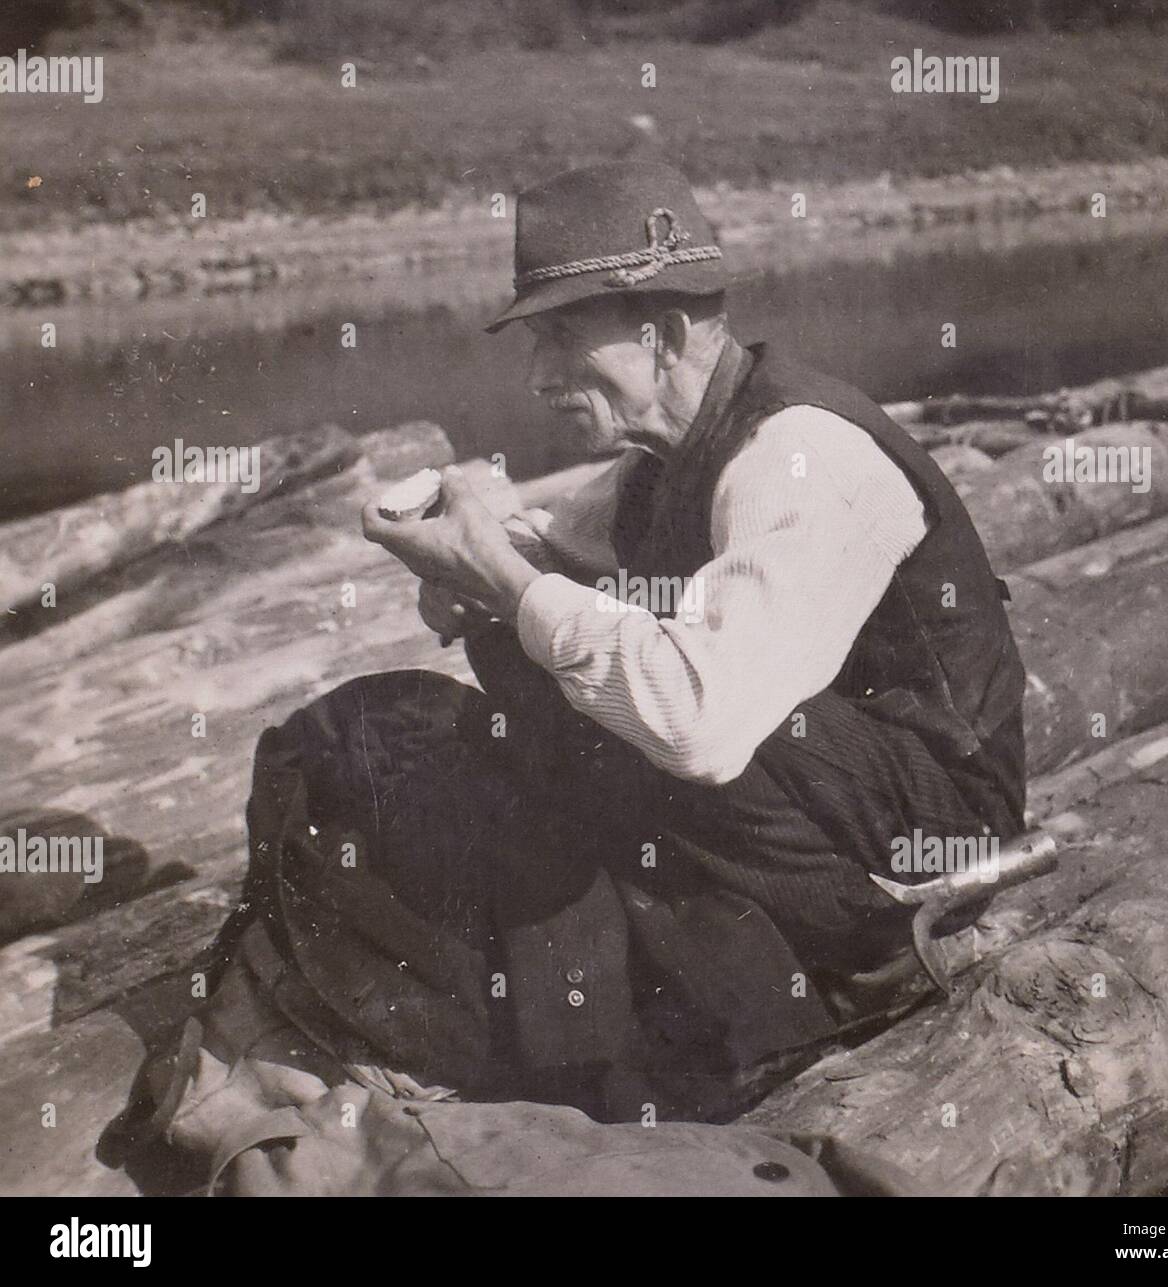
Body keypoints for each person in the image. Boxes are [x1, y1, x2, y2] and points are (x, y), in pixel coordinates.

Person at [179, 160, 1030, 1136]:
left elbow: (701, 727)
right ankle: (642, 989)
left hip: (937, 828)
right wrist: (479, 567)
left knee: (629, 694)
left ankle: (847, 956)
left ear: (660, 336)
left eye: (560, 341)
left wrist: (507, 583)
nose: (539, 379)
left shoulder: (799, 454)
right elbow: (565, 570)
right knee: (520, 677)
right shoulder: (663, 459)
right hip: (808, 788)